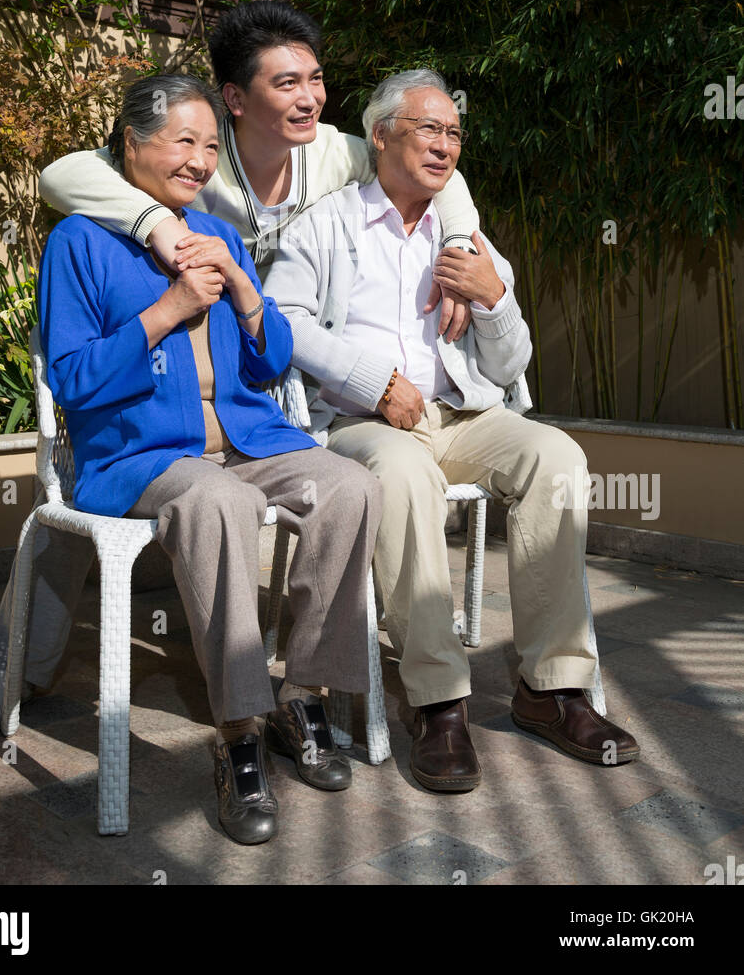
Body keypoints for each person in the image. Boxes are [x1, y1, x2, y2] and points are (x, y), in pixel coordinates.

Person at [0, 75, 382, 845]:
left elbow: (269, 366)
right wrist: (168, 311)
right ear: (131, 144)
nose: (199, 159)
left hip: (248, 442)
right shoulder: (79, 241)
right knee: (217, 501)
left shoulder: (215, 232)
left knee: (349, 486)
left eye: (211, 145)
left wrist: (247, 299)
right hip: (143, 455)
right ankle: (241, 733)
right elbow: (75, 382)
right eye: (182, 140)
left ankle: (303, 694)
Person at [264, 69, 640, 793]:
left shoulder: (464, 235)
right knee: (400, 475)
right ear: (381, 136)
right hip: (360, 421)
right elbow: (282, 322)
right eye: (427, 129)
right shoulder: (328, 223)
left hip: (463, 414)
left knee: (556, 456)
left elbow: (512, 361)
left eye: (454, 133)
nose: (445, 145)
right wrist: (375, 382)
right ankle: (437, 703)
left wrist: (493, 298)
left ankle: (552, 690)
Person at [38, 0, 479, 333]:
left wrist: (458, 245)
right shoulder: (197, 157)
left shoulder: (340, 153)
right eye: (287, 83)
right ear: (235, 98)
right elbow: (60, 175)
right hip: (204, 339)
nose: (310, 99)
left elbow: (439, 176)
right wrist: (158, 224)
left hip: (294, 342)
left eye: (316, 79)